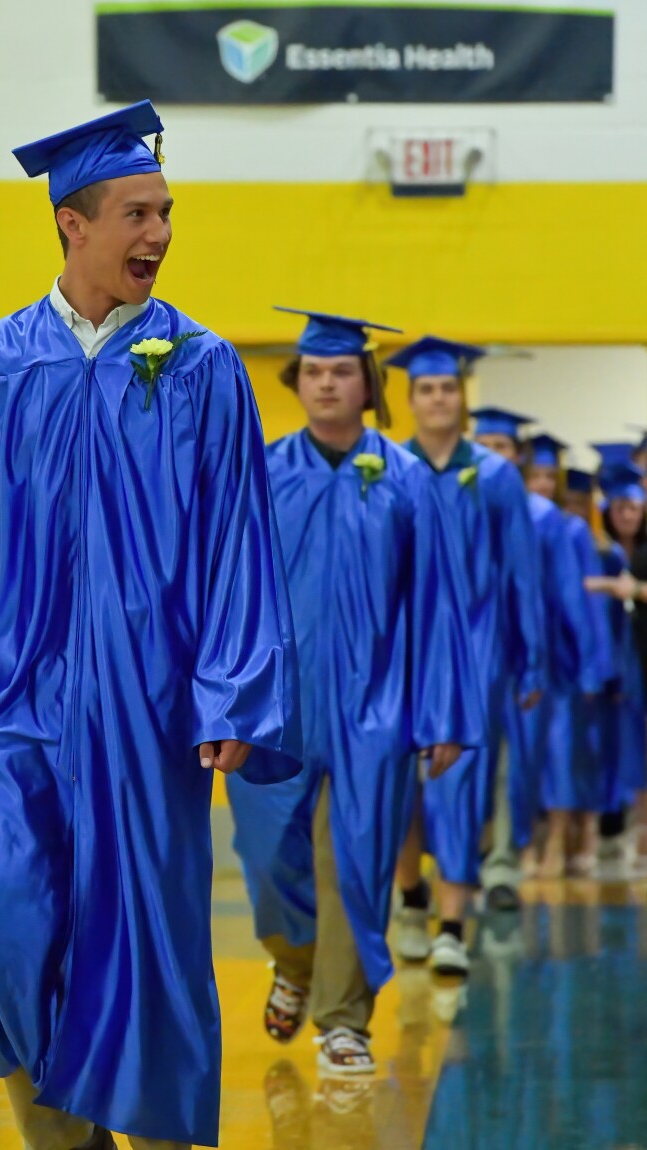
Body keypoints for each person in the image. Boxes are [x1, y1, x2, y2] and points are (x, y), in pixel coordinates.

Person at [0, 102, 302, 1150]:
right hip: (17, 698)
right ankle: (66, 1127)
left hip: (151, 707)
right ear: (72, 225)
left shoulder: (202, 364)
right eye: (137, 214)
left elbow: (238, 543)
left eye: (166, 213)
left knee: (146, 946)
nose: (159, 235)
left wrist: (232, 694)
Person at [227, 309, 482, 1072]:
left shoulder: (407, 481)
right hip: (276, 707)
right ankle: (295, 962)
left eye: (341, 371)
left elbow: (438, 602)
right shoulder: (263, 474)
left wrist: (443, 713)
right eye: (314, 371)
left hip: (376, 705)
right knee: (268, 858)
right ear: (297, 382)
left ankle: (344, 1021)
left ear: (368, 384)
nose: (327, 383)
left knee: (357, 861)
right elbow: (230, 594)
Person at [388, 347, 545, 976]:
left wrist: (530, 658)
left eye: (447, 388)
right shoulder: (388, 467)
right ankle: (410, 897)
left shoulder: (496, 476)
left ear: (462, 398)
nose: (437, 399)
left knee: (461, 784)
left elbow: (522, 573)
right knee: (397, 785)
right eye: (425, 389)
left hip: (477, 651)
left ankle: (451, 926)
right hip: (401, 651)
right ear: (411, 399)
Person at [480, 429, 603, 878]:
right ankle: (498, 847)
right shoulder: (468, 503)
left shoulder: (546, 517)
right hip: (480, 650)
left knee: (543, 752)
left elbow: (571, 593)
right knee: (485, 757)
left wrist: (589, 661)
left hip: (539, 648)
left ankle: (535, 844)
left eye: (502, 447)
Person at [584, 450, 647, 864]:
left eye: (634, 507)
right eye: (620, 507)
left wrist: (628, 589)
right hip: (607, 664)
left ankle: (642, 833)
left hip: (640, 658)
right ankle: (603, 833)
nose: (627, 515)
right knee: (607, 746)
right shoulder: (598, 550)